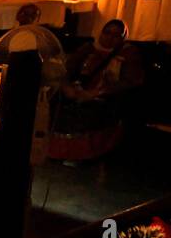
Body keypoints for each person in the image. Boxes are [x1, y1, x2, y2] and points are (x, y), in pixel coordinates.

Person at [49, 19, 145, 160]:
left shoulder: (129, 54)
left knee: (89, 111)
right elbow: (66, 70)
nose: (110, 38)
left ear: (123, 37)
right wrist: (67, 87)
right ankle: (56, 150)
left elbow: (130, 81)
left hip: (106, 96)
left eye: (116, 35)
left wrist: (96, 93)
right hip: (78, 90)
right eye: (107, 33)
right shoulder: (88, 48)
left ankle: (82, 153)